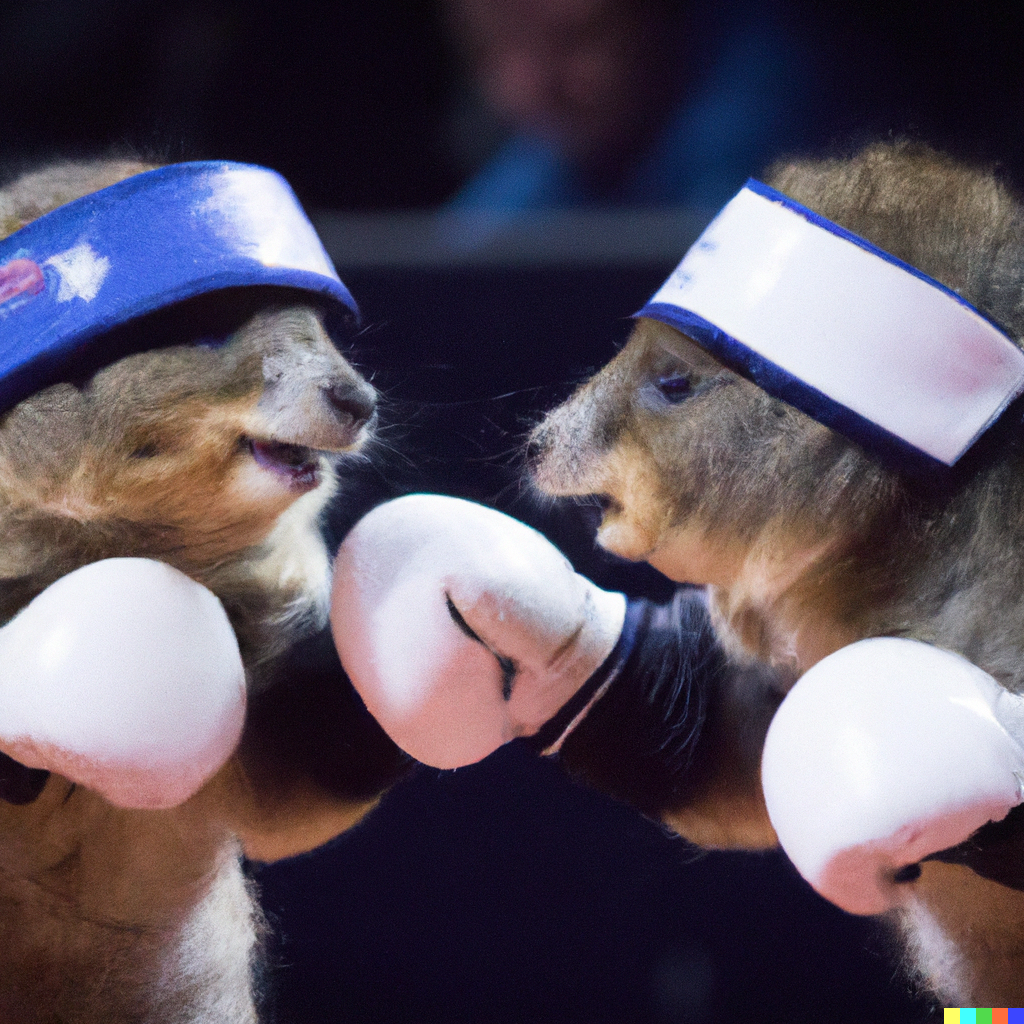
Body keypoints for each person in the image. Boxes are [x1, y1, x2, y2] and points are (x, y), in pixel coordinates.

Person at [440, 0, 818, 214]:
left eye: (571, 39)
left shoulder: (764, 118)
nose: (532, 85)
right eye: (491, 47)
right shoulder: (543, 166)